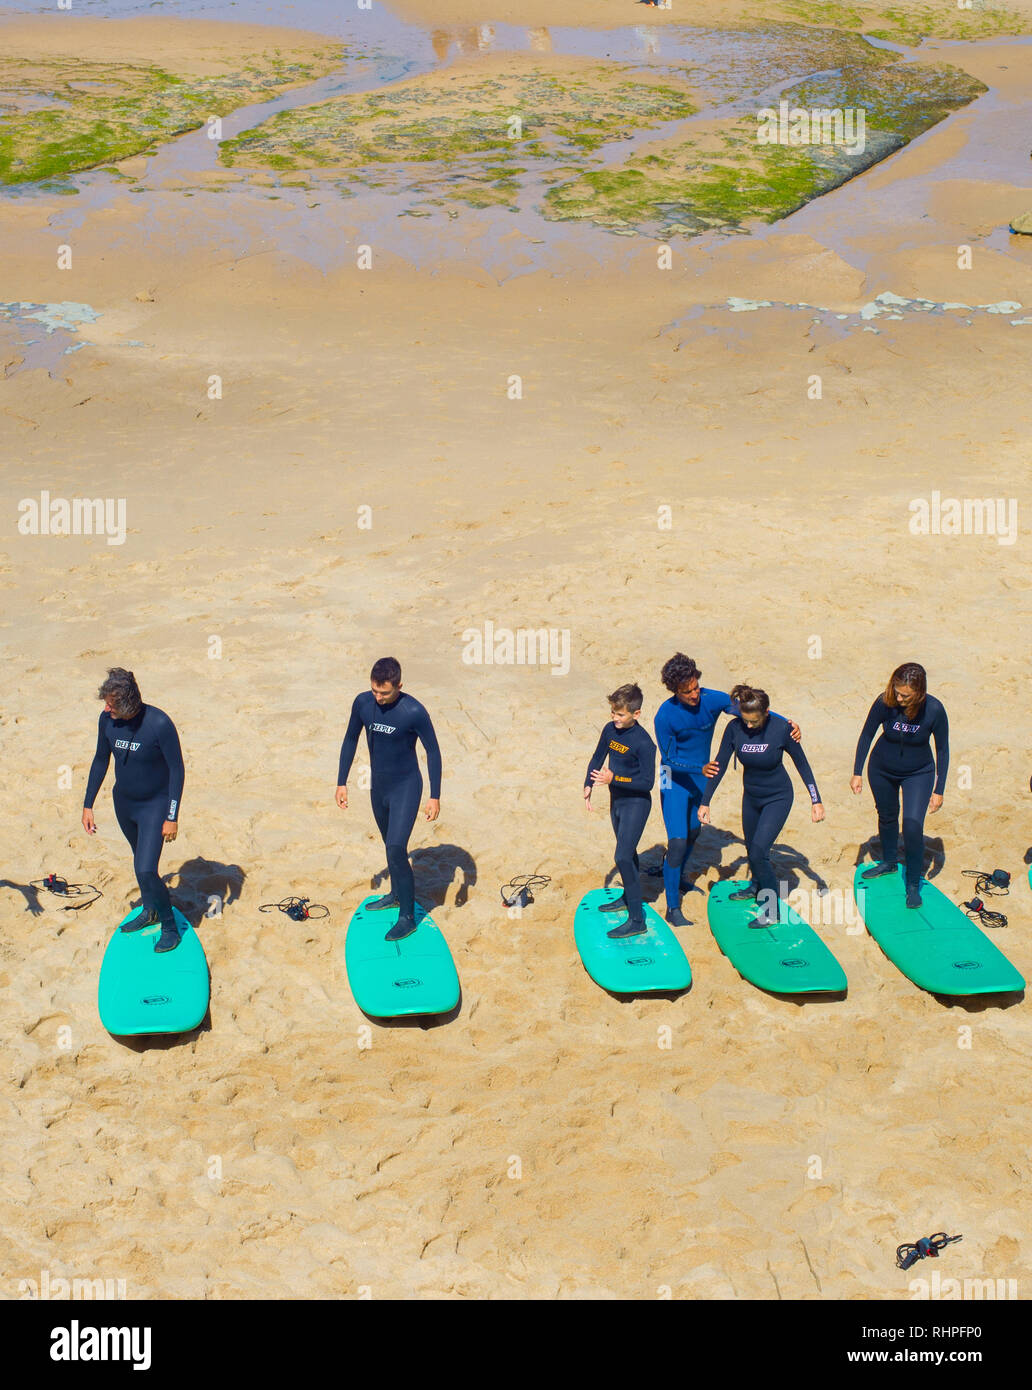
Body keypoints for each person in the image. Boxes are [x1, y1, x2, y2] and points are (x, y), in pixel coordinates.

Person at [653, 654, 800, 926]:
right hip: (673, 777)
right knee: (676, 841)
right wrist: (700, 770)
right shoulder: (665, 715)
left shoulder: (712, 698)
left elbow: (749, 710)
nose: (695, 695)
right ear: (675, 691)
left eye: (696, 687)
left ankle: (678, 877)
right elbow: (667, 757)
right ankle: (672, 908)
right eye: (687, 692)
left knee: (694, 831)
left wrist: (786, 723)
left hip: (701, 775)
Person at [698, 683, 823, 926]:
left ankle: (771, 909)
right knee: (751, 848)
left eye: (754, 721)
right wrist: (706, 802)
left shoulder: (781, 730)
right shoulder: (735, 728)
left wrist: (815, 799)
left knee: (758, 851)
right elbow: (719, 765)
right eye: (746, 720)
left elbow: (803, 764)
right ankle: (756, 885)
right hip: (752, 797)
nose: (749, 726)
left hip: (778, 797)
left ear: (766, 713)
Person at [336, 657, 441, 941]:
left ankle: (407, 916)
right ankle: (396, 894)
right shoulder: (362, 704)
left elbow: (433, 751)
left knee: (396, 846)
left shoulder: (413, 711)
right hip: (378, 786)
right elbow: (349, 740)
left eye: (385, 692)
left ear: (399, 686)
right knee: (389, 843)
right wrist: (341, 782)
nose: (379, 698)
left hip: (406, 786)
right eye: (375, 691)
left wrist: (435, 796)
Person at [81, 668, 185, 953]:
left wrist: (172, 816)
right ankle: (149, 909)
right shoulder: (107, 721)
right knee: (139, 861)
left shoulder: (159, 723)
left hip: (154, 806)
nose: (105, 708)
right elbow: (100, 760)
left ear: (126, 703)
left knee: (146, 868)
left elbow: (177, 769)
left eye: (111, 704)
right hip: (124, 803)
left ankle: (170, 927)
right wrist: (88, 804)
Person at [851, 662, 948, 908]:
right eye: (897, 691)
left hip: (919, 772)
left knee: (913, 825)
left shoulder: (934, 709)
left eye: (906, 695)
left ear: (919, 692)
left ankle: (913, 884)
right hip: (881, 768)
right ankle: (889, 862)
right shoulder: (885, 702)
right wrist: (857, 771)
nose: (899, 697)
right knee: (887, 815)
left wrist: (939, 789)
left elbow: (942, 749)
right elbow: (866, 734)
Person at [584, 683, 657, 938]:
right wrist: (588, 783)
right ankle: (628, 896)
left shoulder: (644, 743)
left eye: (620, 715)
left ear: (636, 714)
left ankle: (638, 921)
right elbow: (597, 757)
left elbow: (648, 783)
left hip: (637, 803)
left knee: (623, 857)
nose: (615, 719)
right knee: (629, 854)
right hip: (617, 801)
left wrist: (615, 779)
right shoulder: (609, 730)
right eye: (613, 713)